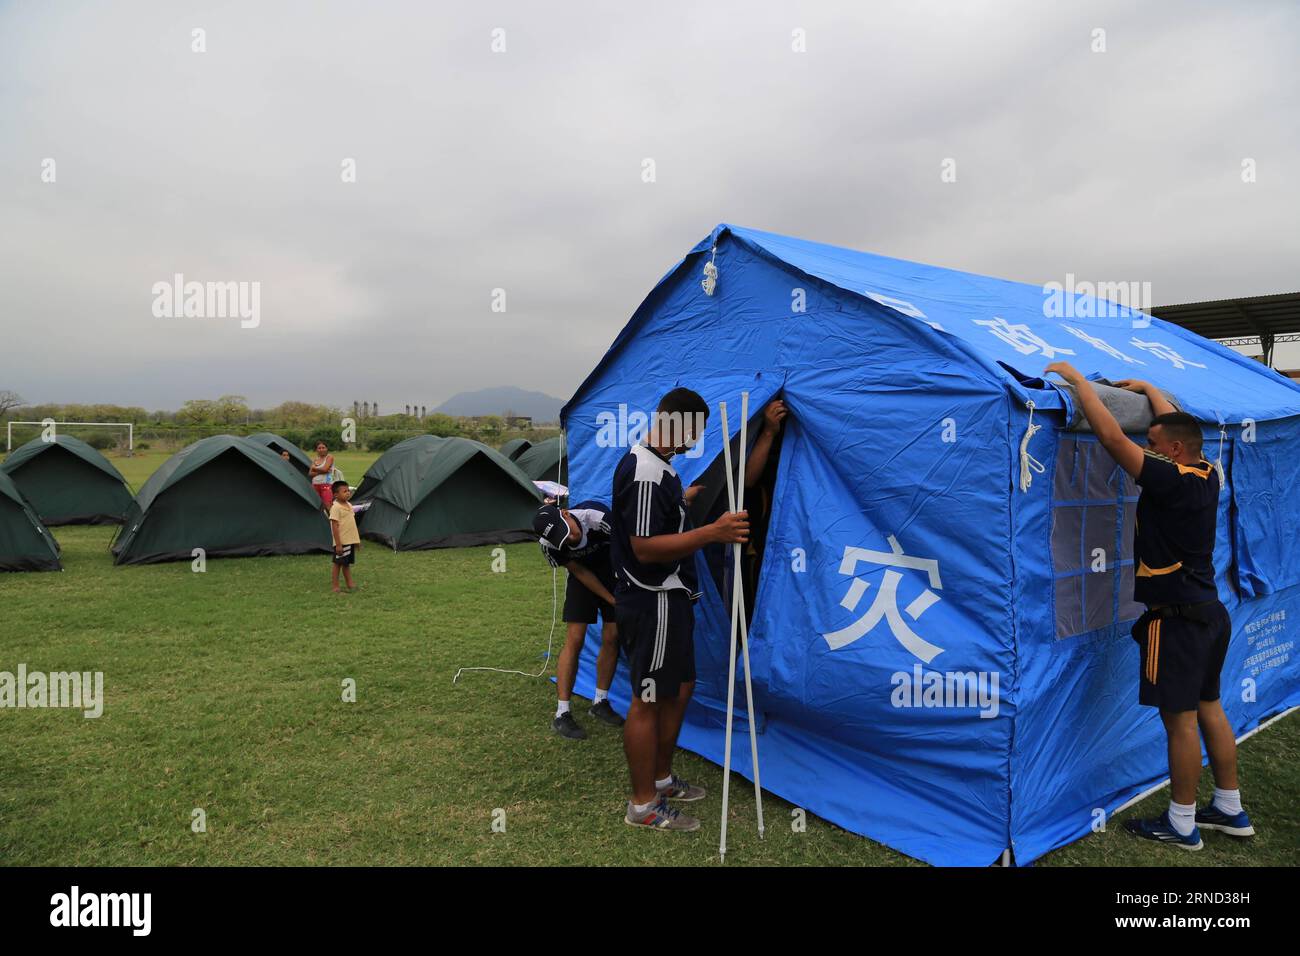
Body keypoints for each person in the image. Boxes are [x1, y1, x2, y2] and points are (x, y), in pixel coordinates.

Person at [1045, 364, 1253, 851]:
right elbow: (1176, 423)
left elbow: (1114, 439)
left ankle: (1181, 823)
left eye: (1155, 443)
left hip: (1176, 620)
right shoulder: (1205, 471)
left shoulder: (1171, 478)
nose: (1150, 447)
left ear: (1173, 451)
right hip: (1209, 613)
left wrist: (1079, 383)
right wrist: (1149, 390)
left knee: (1179, 721)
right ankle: (1229, 806)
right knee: (1210, 708)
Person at [612, 387, 749, 832]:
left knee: (680, 686)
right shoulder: (648, 472)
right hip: (652, 599)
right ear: (680, 424)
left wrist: (680, 501)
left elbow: (653, 520)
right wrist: (712, 532)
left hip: (671, 599)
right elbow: (646, 548)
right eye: (696, 432)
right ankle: (642, 805)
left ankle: (661, 778)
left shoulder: (662, 469)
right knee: (648, 697)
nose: (695, 441)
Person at [533, 501, 625, 739]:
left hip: (612, 572)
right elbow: (580, 572)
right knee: (575, 638)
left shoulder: (599, 519)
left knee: (613, 636)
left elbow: (627, 551)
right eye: (563, 541)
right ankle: (562, 713)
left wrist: (618, 596)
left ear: (566, 514)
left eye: (569, 533)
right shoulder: (548, 545)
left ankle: (600, 702)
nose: (570, 540)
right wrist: (609, 599)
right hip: (582, 579)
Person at [328, 479, 360, 593]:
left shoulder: (349, 505)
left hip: (349, 541)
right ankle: (335, 586)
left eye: (348, 491)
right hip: (341, 542)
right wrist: (338, 544)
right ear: (336, 494)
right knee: (338, 564)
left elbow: (351, 525)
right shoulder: (335, 507)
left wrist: (356, 541)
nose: (348, 493)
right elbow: (334, 526)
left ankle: (349, 583)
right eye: (344, 491)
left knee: (346, 564)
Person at [309, 441, 335, 513]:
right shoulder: (315, 459)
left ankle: (334, 523)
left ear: (327, 449)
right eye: (319, 448)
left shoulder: (329, 457)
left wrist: (315, 468)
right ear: (316, 450)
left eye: (323, 447)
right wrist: (322, 471)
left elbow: (325, 469)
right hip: (315, 485)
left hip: (326, 484)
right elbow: (310, 473)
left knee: (328, 505)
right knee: (318, 506)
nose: (321, 449)